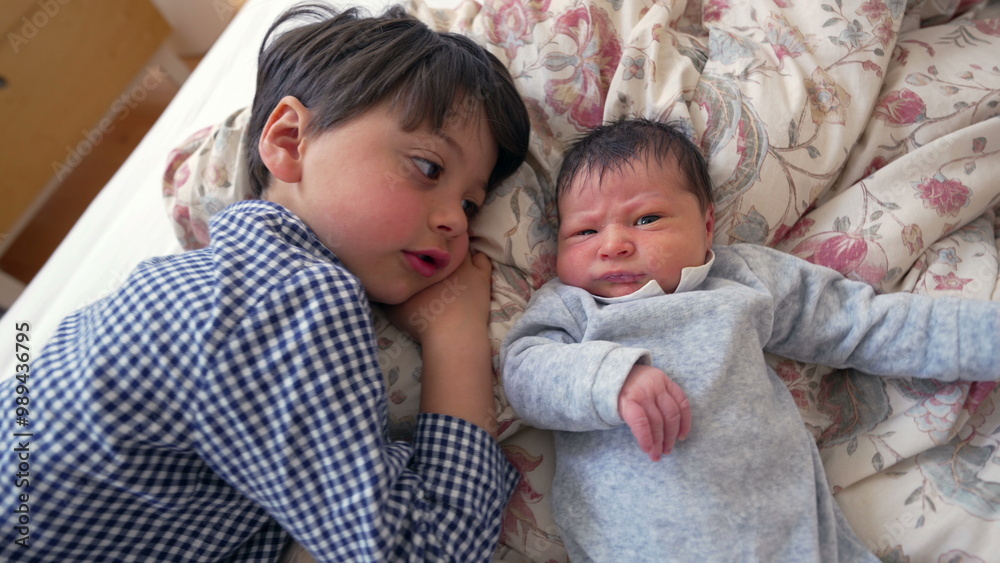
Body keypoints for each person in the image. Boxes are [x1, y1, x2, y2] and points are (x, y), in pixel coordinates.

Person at [0, 4, 529, 562]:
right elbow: (423, 553)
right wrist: (455, 339)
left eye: (471, 205)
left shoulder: (223, 275)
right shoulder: (285, 299)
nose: (456, 224)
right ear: (289, 140)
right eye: (427, 167)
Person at [500, 117, 1000, 561]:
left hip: (787, 537)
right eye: (584, 232)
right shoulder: (571, 306)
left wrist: (985, 338)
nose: (613, 245)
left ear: (706, 225)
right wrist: (610, 378)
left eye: (647, 219)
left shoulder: (741, 279)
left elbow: (863, 324)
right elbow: (524, 374)